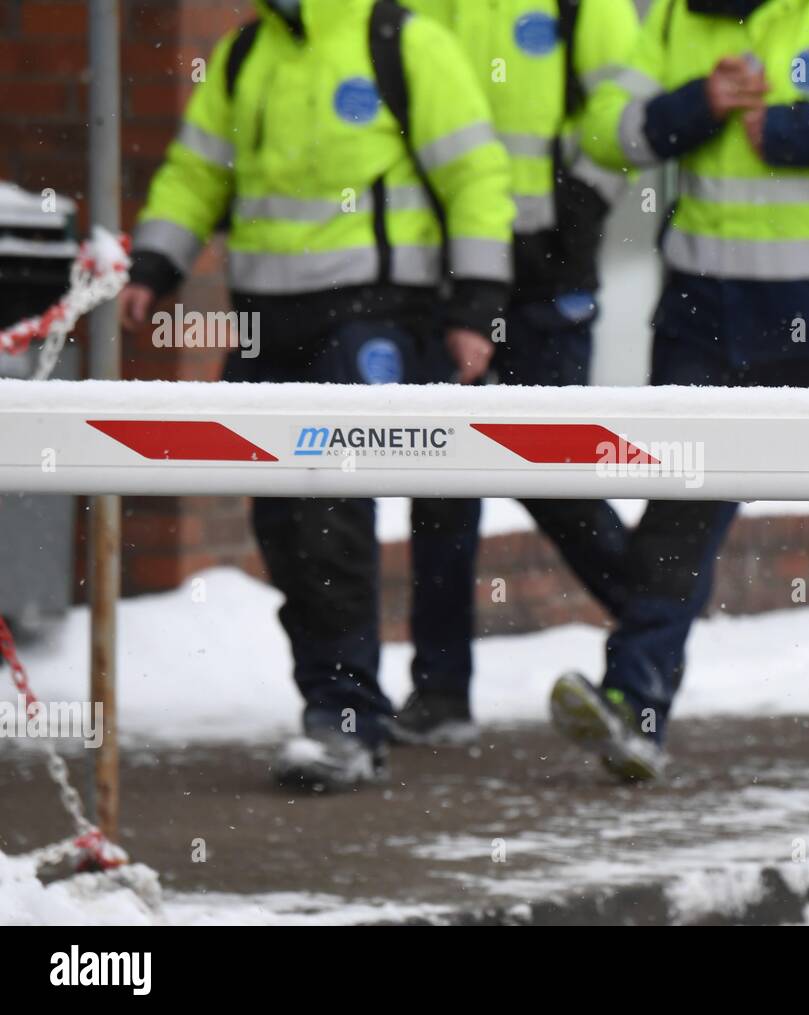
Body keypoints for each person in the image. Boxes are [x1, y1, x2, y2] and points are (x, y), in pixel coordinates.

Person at [547, 0, 809, 780]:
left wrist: (805, 130)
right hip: (708, 318)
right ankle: (635, 704)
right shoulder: (677, 20)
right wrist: (694, 106)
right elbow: (605, 130)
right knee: (675, 518)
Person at [120, 0, 514, 790]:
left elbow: (475, 174)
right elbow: (198, 171)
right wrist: (156, 264)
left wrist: (476, 305)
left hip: (370, 309)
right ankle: (331, 700)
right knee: (277, 515)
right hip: (266, 318)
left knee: (332, 507)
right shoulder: (241, 58)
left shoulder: (404, 43)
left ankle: (344, 719)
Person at [390, 0, 642, 746]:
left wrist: (585, 197)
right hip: (450, 268)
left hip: (545, 269)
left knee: (554, 470)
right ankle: (440, 689)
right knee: (442, 482)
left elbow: (625, 107)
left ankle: (653, 622)